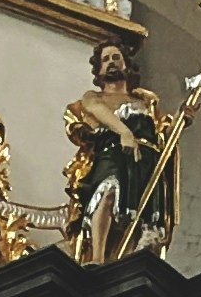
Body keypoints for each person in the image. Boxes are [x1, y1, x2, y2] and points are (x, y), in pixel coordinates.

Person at [63, 34, 174, 260]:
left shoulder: (145, 101)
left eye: (116, 57)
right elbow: (96, 110)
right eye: (106, 59)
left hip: (145, 160)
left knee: (140, 215)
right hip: (112, 153)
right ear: (99, 70)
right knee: (108, 192)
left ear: (126, 64)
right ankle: (97, 258)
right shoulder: (94, 97)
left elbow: (162, 133)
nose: (111, 62)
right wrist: (124, 132)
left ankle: (129, 259)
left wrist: (183, 116)